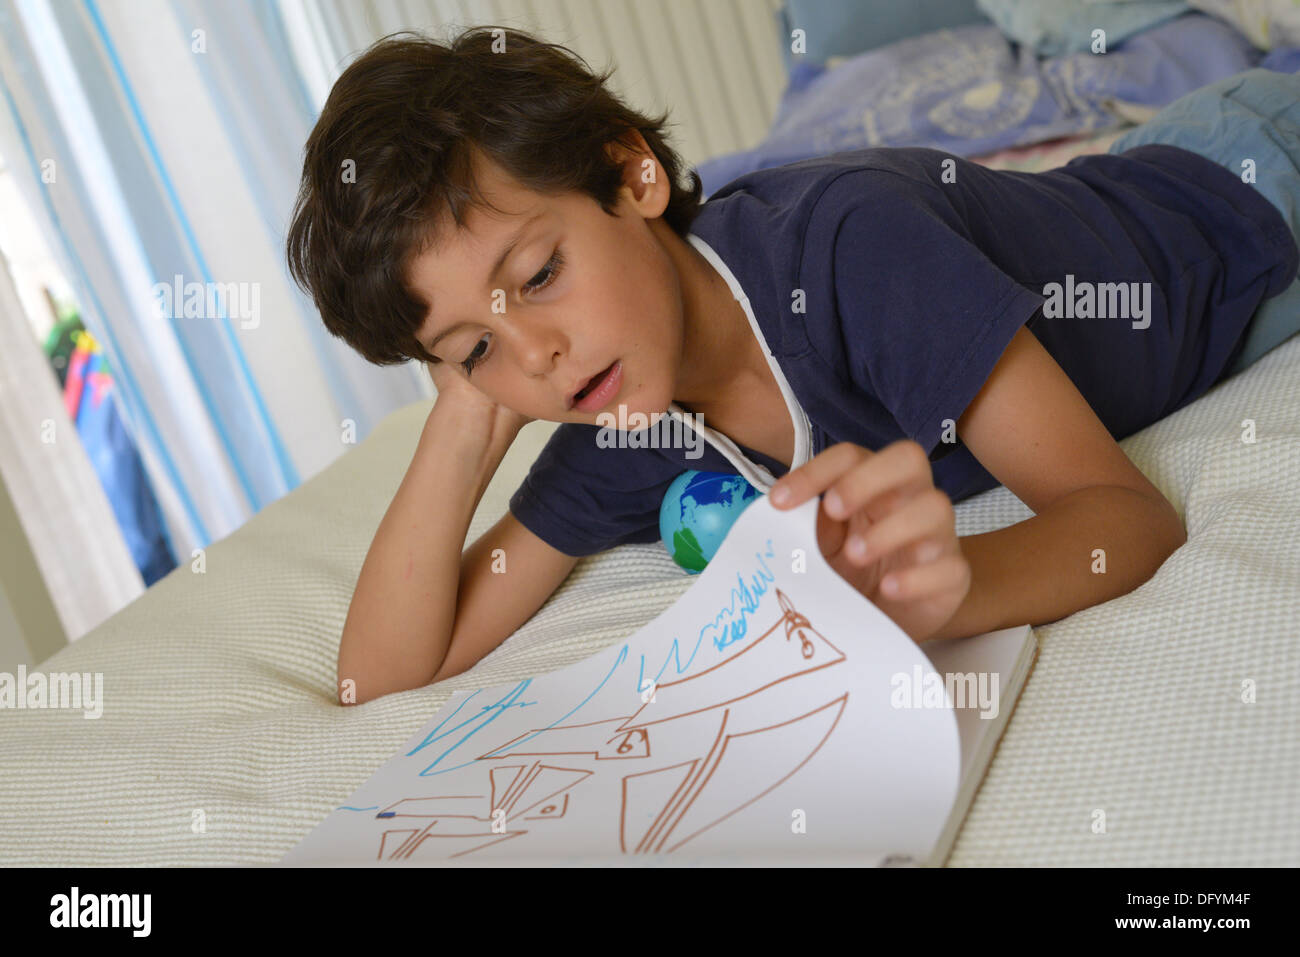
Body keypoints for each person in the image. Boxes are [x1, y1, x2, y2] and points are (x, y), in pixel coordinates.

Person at [285, 28, 1299, 705]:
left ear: (632, 176)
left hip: (1240, 196)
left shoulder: (855, 254)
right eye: (474, 352)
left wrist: (938, 593)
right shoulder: (623, 412)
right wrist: (465, 419)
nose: (536, 358)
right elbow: (375, 679)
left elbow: (1123, 518)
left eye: (539, 274)